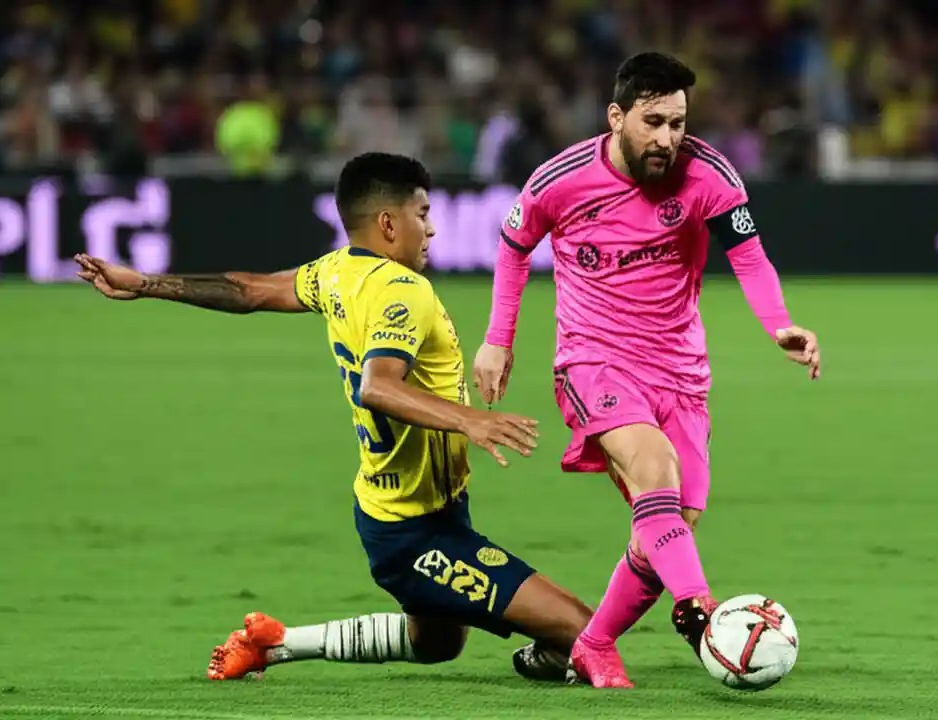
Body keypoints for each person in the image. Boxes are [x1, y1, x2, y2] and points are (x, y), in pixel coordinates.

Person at [74, 152, 590, 682]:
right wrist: (469, 421)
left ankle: (273, 644)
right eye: (423, 213)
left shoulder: (335, 271)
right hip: (414, 531)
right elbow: (378, 387)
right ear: (389, 224)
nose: (433, 229)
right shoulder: (402, 290)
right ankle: (552, 650)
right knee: (585, 633)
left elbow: (247, 290)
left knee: (437, 642)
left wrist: (147, 284)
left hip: (405, 510)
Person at [473, 52, 821, 689]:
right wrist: (499, 340)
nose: (667, 138)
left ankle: (591, 645)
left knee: (670, 525)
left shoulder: (708, 174)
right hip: (593, 361)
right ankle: (702, 612)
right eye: (653, 121)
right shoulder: (560, 179)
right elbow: (514, 247)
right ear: (617, 116)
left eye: (678, 123)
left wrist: (780, 324)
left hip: (681, 372)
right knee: (654, 473)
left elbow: (749, 257)